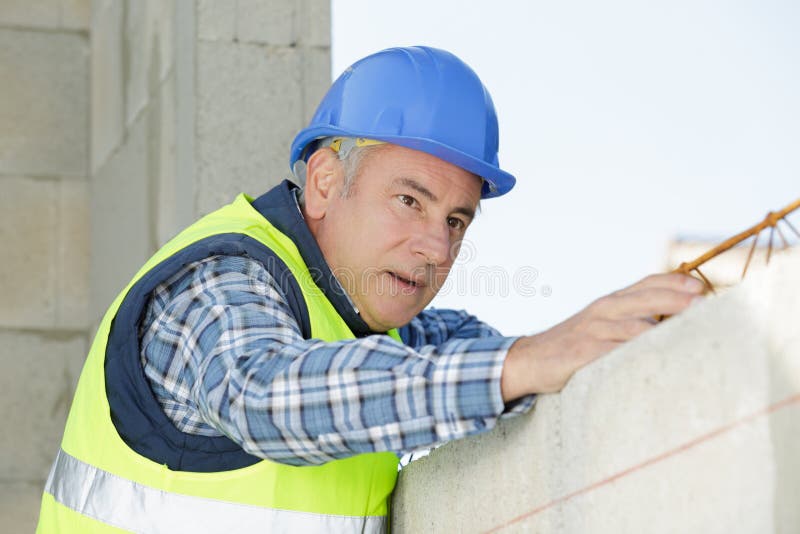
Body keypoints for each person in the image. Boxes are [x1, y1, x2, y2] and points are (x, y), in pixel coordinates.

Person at [37, 46, 703, 533]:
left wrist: (611, 344)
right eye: (409, 201)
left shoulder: (378, 327)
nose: (436, 248)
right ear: (326, 183)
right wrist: (519, 365)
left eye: (456, 221)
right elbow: (267, 396)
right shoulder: (217, 283)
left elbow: (495, 362)